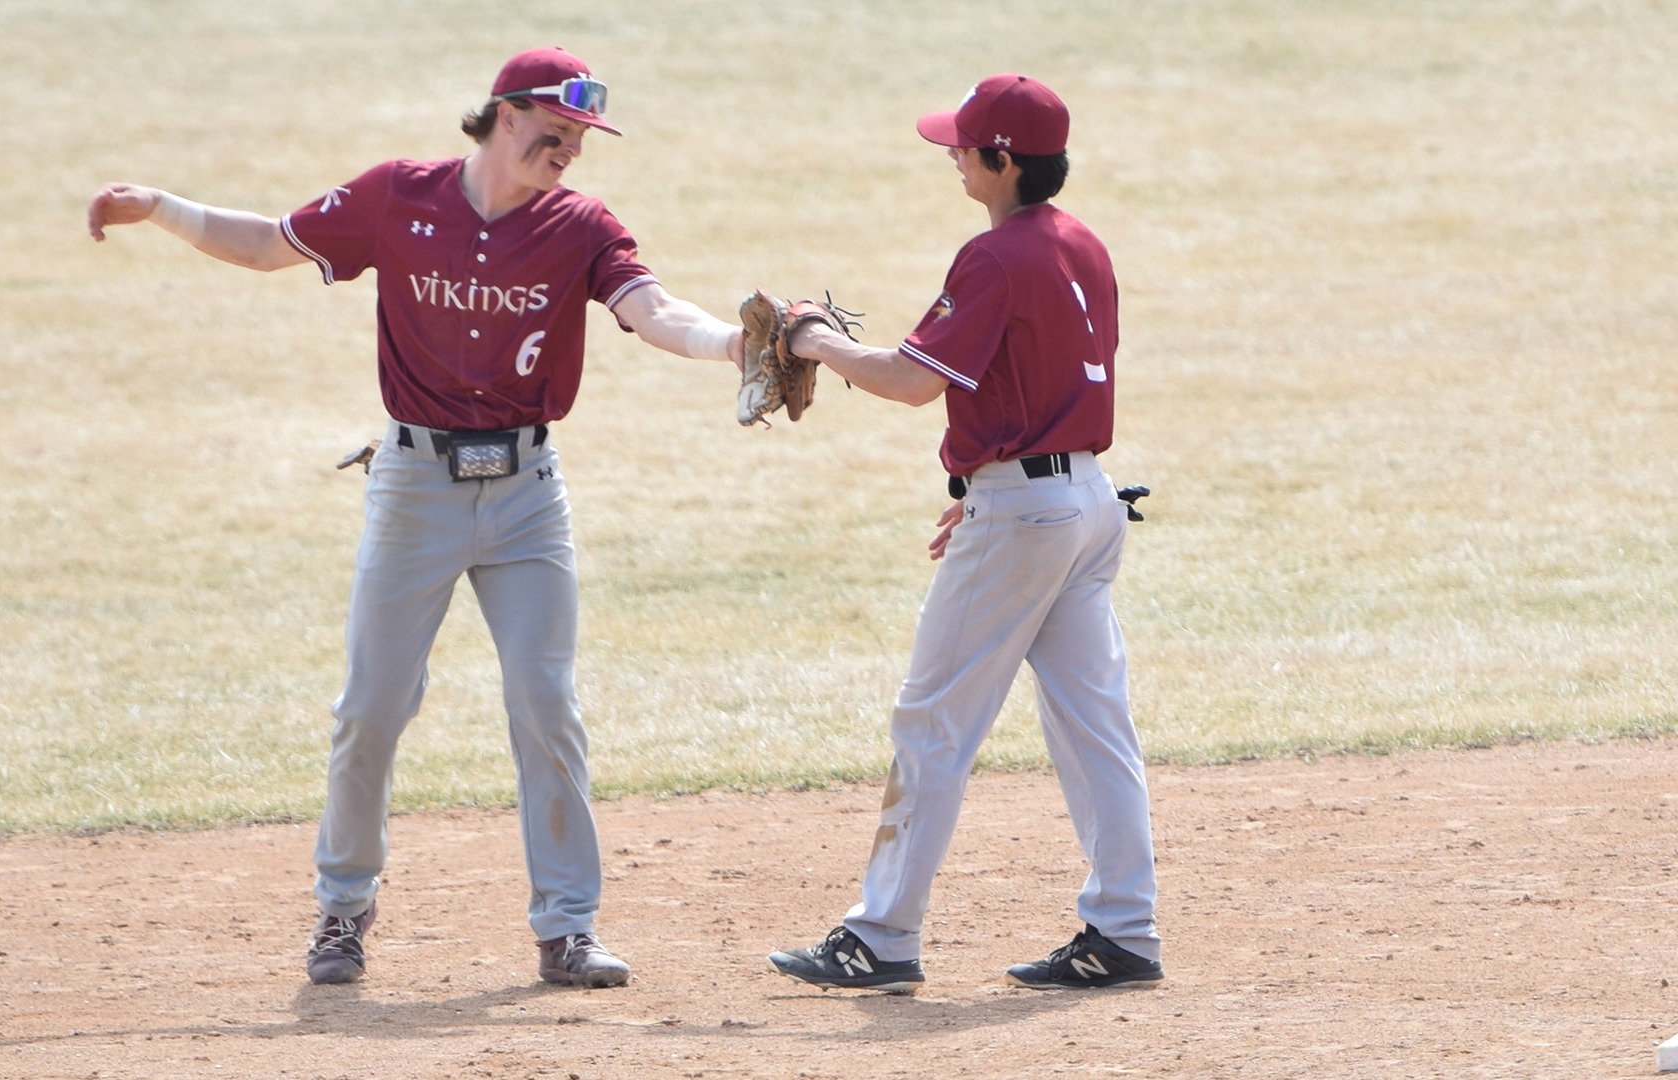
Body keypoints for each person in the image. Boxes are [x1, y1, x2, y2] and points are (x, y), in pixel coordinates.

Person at [87, 47, 747, 989]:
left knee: (545, 702)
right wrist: (163, 209)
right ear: (503, 114)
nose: (569, 149)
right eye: (555, 130)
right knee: (371, 709)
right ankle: (342, 913)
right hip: (413, 489)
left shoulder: (581, 225)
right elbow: (271, 242)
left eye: (582, 138)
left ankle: (568, 927)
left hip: (527, 496)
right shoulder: (399, 196)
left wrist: (729, 343)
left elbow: (649, 308)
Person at [766, 73, 1163, 992]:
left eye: (965, 145)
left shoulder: (995, 257)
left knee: (933, 720)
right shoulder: (1084, 245)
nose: (952, 154)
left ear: (1004, 161)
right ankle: (1125, 930)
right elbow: (1048, 376)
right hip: (1087, 503)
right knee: (1094, 726)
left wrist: (812, 338)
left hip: (1029, 513)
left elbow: (911, 381)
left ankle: (882, 936)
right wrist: (995, 476)